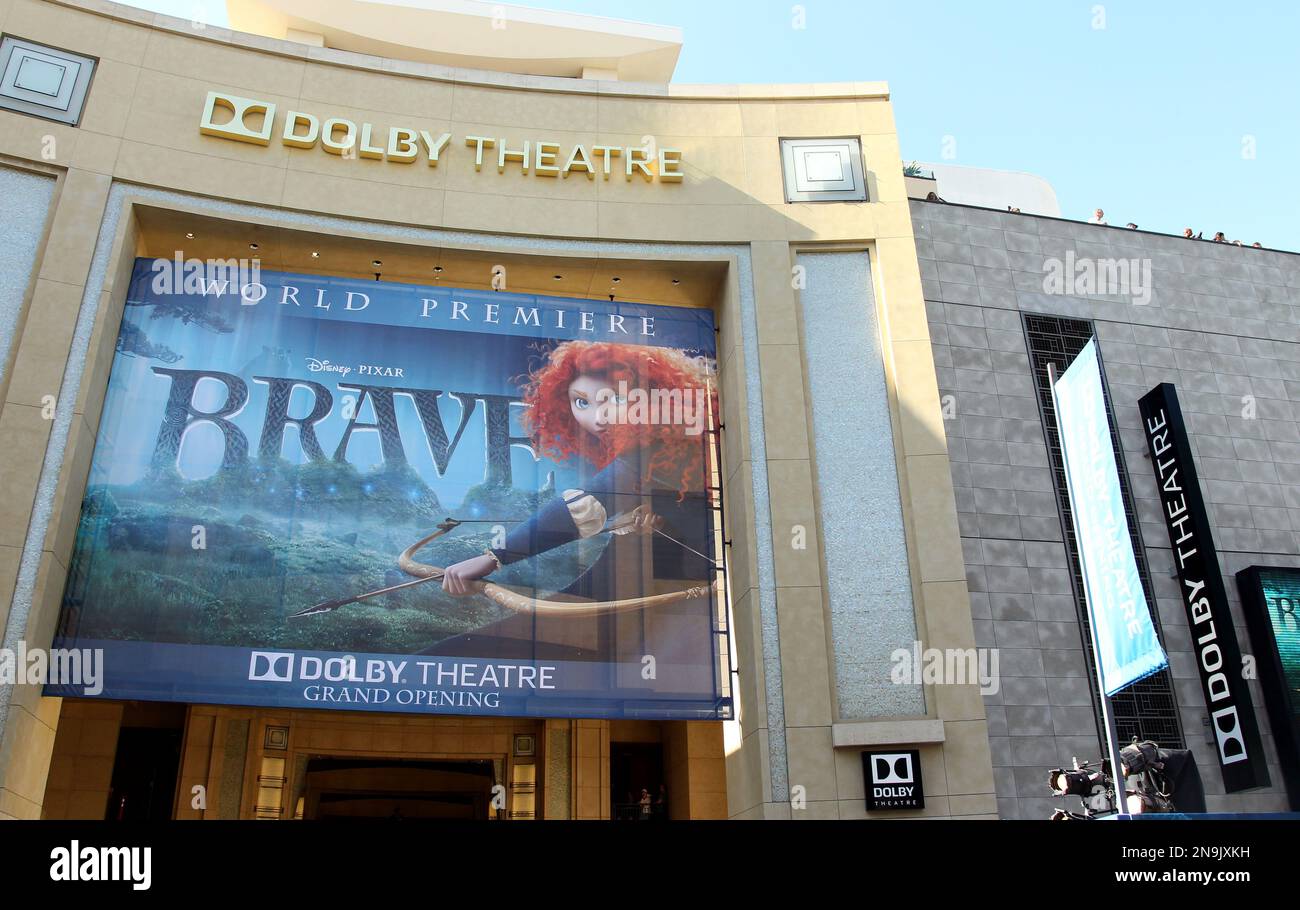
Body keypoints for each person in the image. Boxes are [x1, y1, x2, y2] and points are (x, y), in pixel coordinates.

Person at [427, 340, 720, 672]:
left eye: (615, 400)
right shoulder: (644, 448)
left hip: (693, 603)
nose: (598, 416)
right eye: (582, 402)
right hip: (657, 589)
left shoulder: (663, 440)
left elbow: (586, 504)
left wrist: (492, 558)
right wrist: (660, 525)